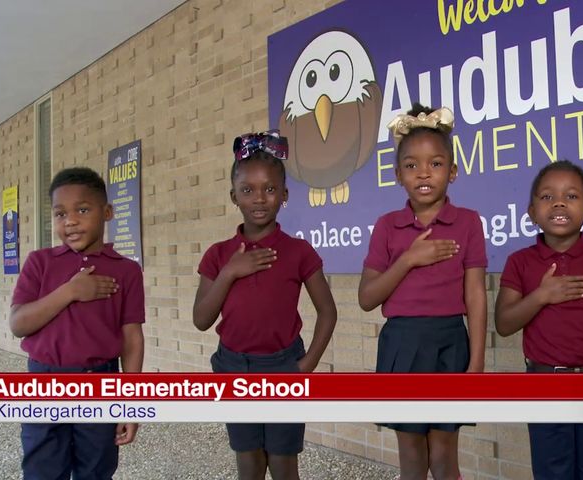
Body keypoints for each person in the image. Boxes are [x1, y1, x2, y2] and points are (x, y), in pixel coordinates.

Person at [193, 130, 337, 480]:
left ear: (284, 195)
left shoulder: (299, 252)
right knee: (249, 462)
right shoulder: (218, 255)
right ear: (234, 196)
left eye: (270, 189)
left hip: (284, 365)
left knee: (284, 463)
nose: (259, 198)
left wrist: (306, 365)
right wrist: (230, 272)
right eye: (248, 190)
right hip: (233, 368)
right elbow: (201, 319)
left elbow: (328, 312)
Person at [358, 104, 488, 480]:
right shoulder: (387, 226)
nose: (424, 173)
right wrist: (409, 259)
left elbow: (476, 293)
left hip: (451, 342)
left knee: (445, 458)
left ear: (453, 171)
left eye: (435, 163)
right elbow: (368, 298)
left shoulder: (467, 222)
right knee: (412, 459)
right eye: (412, 165)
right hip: (402, 344)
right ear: (398, 175)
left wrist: (476, 363)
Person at [494, 160, 583, 480]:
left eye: (571, 196)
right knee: (552, 472)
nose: (558, 202)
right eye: (547, 197)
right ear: (531, 212)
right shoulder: (520, 262)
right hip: (545, 386)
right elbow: (504, 324)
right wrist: (542, 295)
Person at [10, 166, 145, 480]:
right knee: (43, 470)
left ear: (107, 212)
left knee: (96, 469)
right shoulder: (40, 262)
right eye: (60, 214)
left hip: (99, 381)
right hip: (43, 383)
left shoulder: (126, 271)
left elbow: (132, 338)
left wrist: (131, 403)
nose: (70, 221)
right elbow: (18, 324)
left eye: (82, 210)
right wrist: (69, 291)